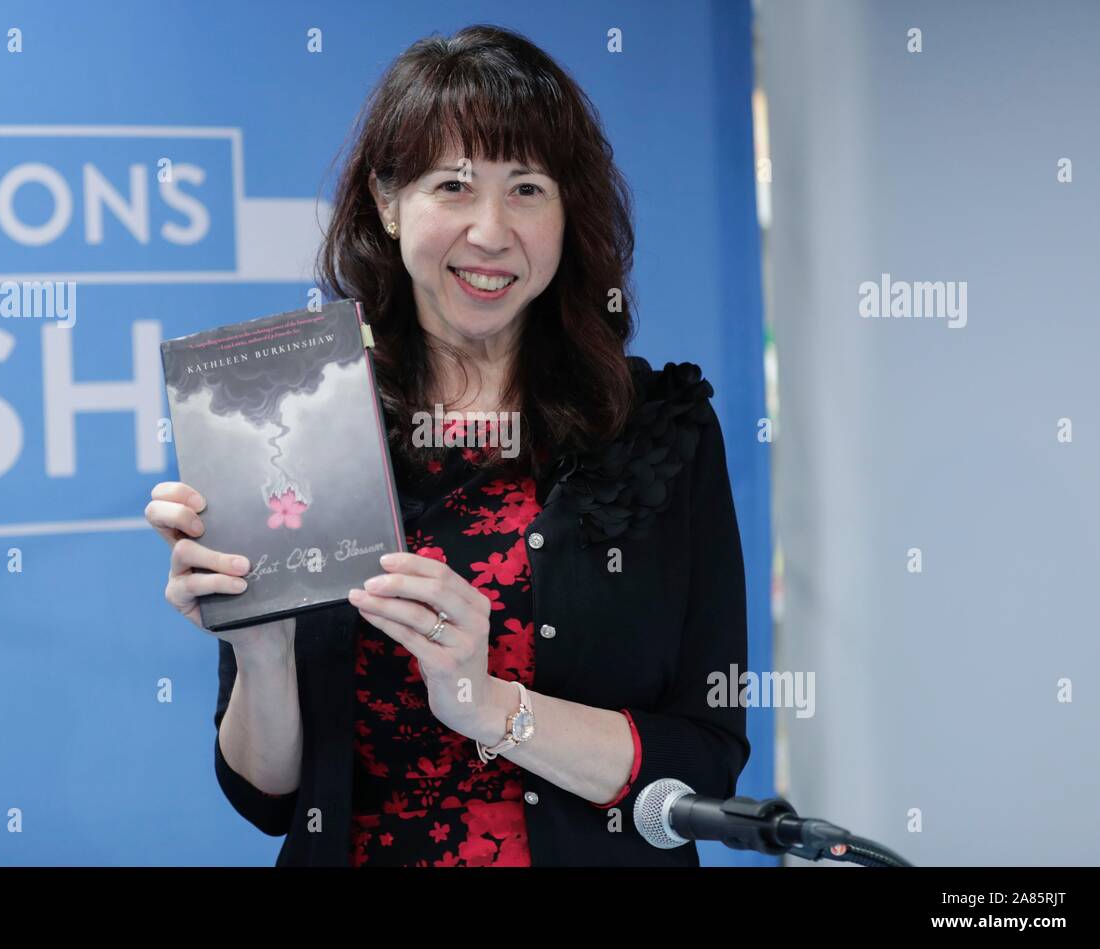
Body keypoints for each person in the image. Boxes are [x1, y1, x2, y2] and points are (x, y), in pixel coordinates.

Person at [144, 24, 750, 866]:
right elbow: (266, 796)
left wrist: (489, 706)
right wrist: (257, 641)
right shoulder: (298, 418)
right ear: (389, 203)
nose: (492, 231)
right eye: (454, 186)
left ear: (570, 213)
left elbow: (703, 758)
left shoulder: (656, 428)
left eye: (529, 189)